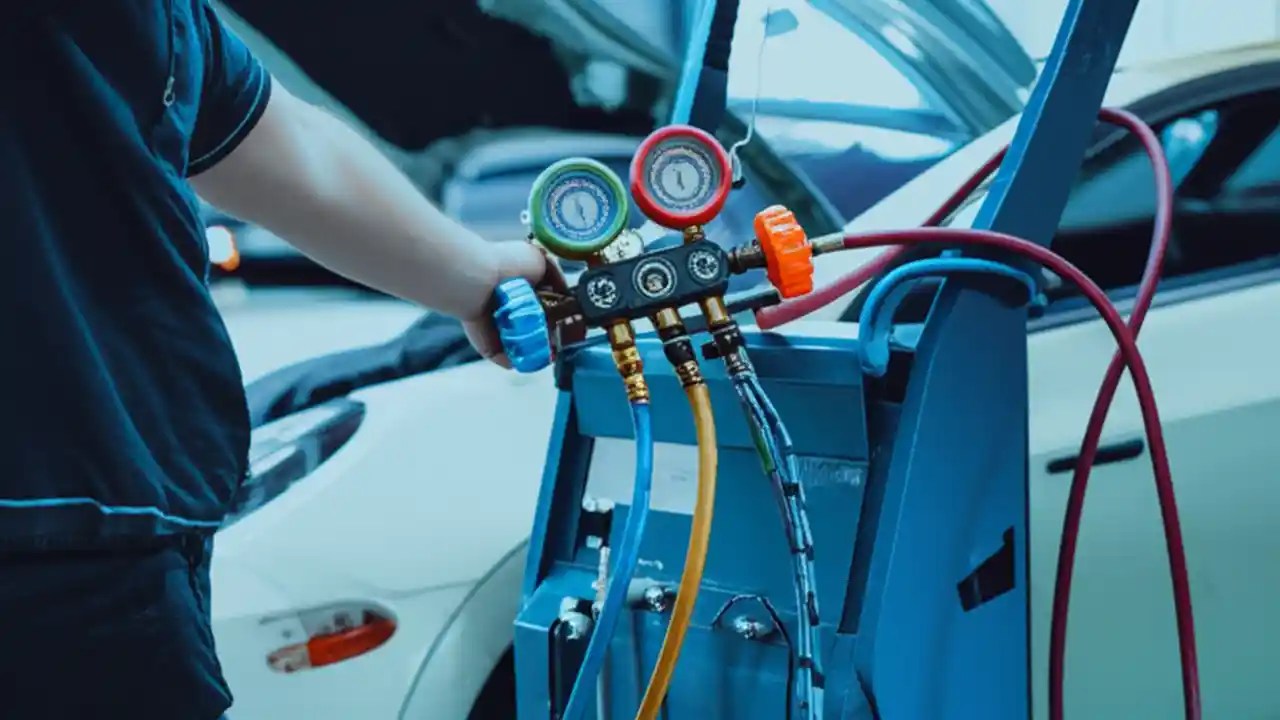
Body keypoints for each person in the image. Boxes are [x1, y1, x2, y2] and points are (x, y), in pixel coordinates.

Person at [2, 3, 558, 717]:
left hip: (113, 545)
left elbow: (282, 143)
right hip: (71, 554)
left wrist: (479, 277)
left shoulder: (152, 23)